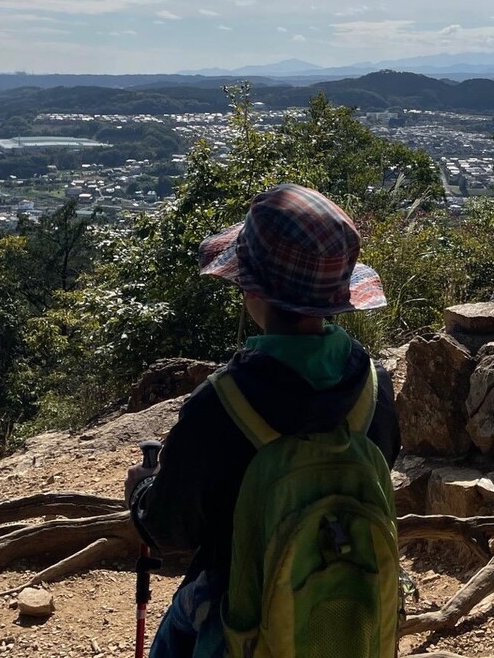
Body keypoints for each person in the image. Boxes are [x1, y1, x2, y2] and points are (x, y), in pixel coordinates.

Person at [126, 183, 401, 658]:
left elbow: (173, 530)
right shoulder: (373, 387)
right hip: (351, 610)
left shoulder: (220, 403)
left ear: (251, 289)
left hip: (239, 615)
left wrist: (143, 492)